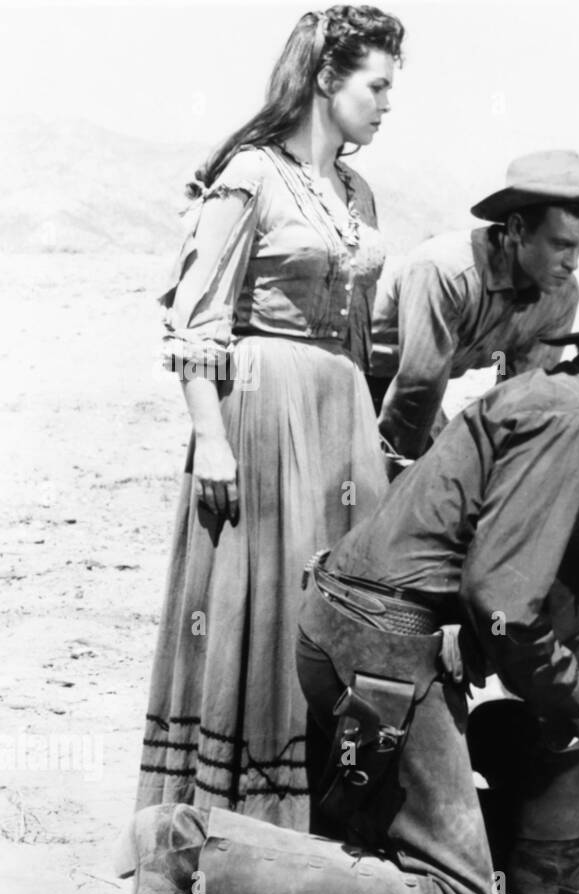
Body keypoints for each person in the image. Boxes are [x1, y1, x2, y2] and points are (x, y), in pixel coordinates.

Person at [117, 265, 579, 894]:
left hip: (353, 635)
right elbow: (503, 604)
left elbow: (537, 535)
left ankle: (541, 847)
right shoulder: (574, 420)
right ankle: (188, 852)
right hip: (382, 656)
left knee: (412, 848)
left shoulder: (569, 404)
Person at [134, 7, 405, 831]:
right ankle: (230, 826)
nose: (388, 105)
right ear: (328, 78)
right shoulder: (251, 175)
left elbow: (365, 331)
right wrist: (211, 439)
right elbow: (193, 323)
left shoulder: (356, 191)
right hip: (259, 412)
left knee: (334, 611)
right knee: (263, 610)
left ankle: (321, 821)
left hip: (340, 415)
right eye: (377, 85)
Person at [370, 149, 579, 463]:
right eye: (560, 245)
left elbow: (520, 395)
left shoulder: (560, 294)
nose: (572, 264)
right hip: (360, 381)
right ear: (517, 229)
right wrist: (404, 474)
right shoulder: (446, 272)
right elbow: (417, 388)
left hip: (417, 396)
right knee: (377, 489)